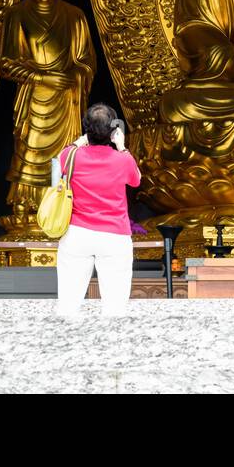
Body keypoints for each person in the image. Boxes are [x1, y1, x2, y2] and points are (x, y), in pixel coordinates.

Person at [55, 103, 141, 318]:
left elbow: (60, 159)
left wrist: (81, 140)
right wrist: (121, 145)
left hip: (78, 232)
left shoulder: (71, 156)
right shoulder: (123, 159)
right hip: (114, 234)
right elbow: (137, 179)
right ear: (114, 131)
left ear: (86, 129)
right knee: (115, 307)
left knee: (68, 304)